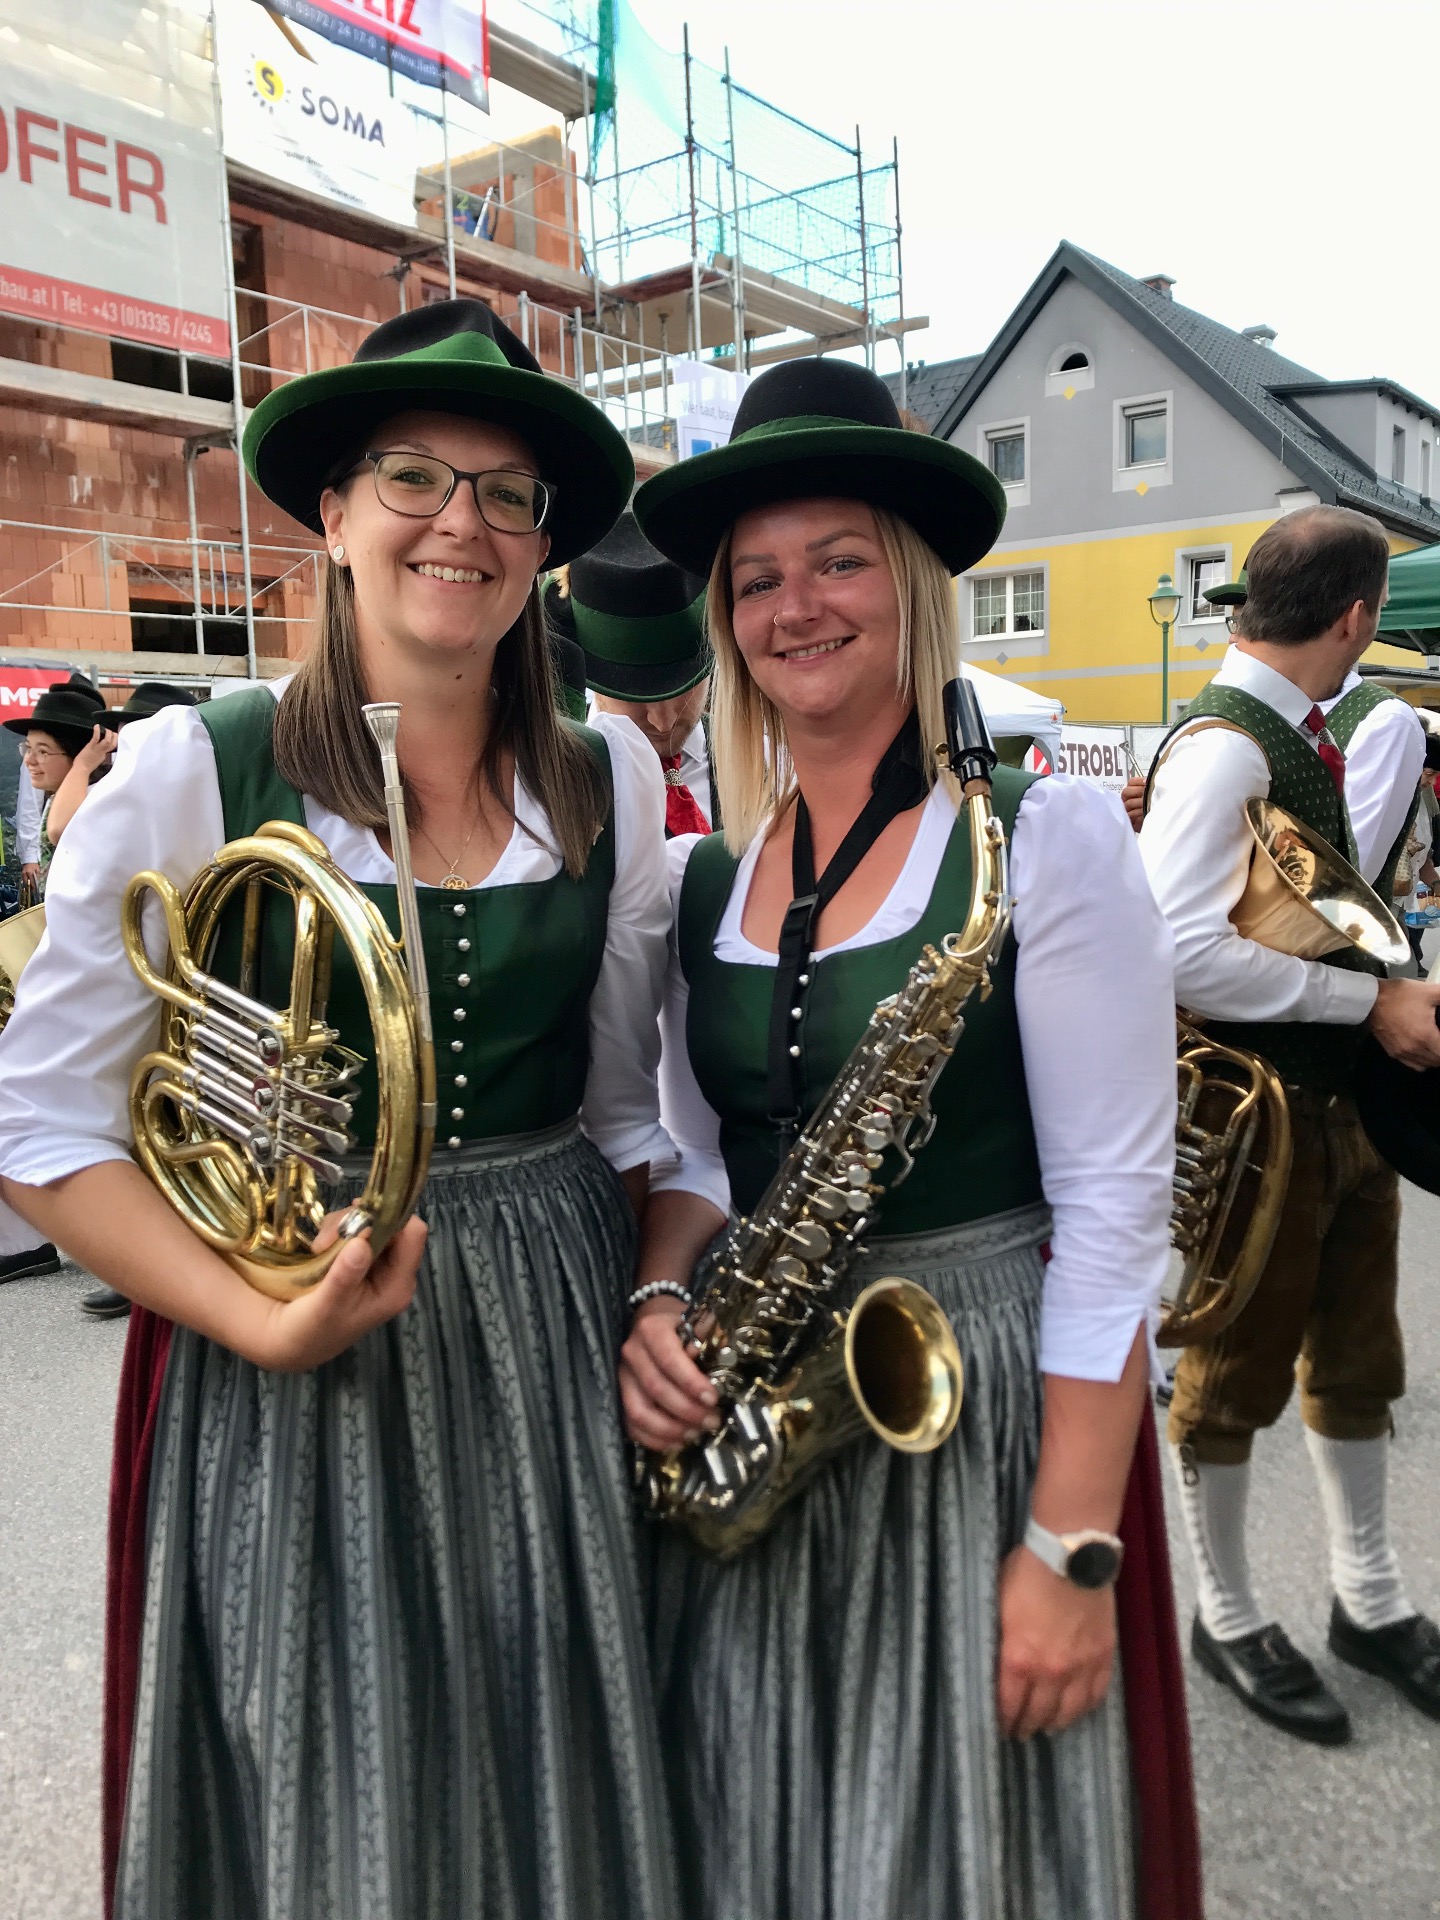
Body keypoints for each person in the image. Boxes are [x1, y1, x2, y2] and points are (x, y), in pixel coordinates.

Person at [0, 299, 681, 1920]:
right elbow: (45, 1131)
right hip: (293, 1358)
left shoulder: (615, 784)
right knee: (335, 1797)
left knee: (549, 1784)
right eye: (414, 478)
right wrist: (253, 1313)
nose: (464, 522)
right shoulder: (188, 769)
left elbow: (635, 1118)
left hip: (549, 1347)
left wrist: (658, 1285)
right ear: (332, 513)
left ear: (546, 547)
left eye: (510, 494)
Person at [621, 359, 1200, 1920]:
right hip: (769, 1397)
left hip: (976, 1413)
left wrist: (1075, 1543)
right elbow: (684, 1149)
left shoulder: (1044, 834)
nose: (795, 605)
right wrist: (659, 1300)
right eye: (756, 579)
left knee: (954, 1852)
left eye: (840, 559)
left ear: (915, 579)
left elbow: (1114, 1218)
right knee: (758, 1826)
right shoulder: (707, 877)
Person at [1139, 504, 1440, 1745]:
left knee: (1359, 1361)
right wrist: (1371, 1000)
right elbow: (1174, 949)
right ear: (1358, 617)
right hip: (1260, 1118)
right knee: (1227, 1382)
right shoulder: (1228, 749)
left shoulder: (1285, 732)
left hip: (1333, 1116)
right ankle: (1225, 1610)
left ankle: (1367, 1599)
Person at [0, 674, 110, 1288]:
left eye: (44, 749)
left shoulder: (96, 794)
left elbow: (61, 832)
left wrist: (88, 764)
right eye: (26, 750)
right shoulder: (65, 791)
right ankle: (26, 1240)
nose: (31, 760)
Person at [561, 512, 715, 834]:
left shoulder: (775, 766)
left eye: (684, 687)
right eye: (632, 694)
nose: (663, 721)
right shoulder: (548, 780)